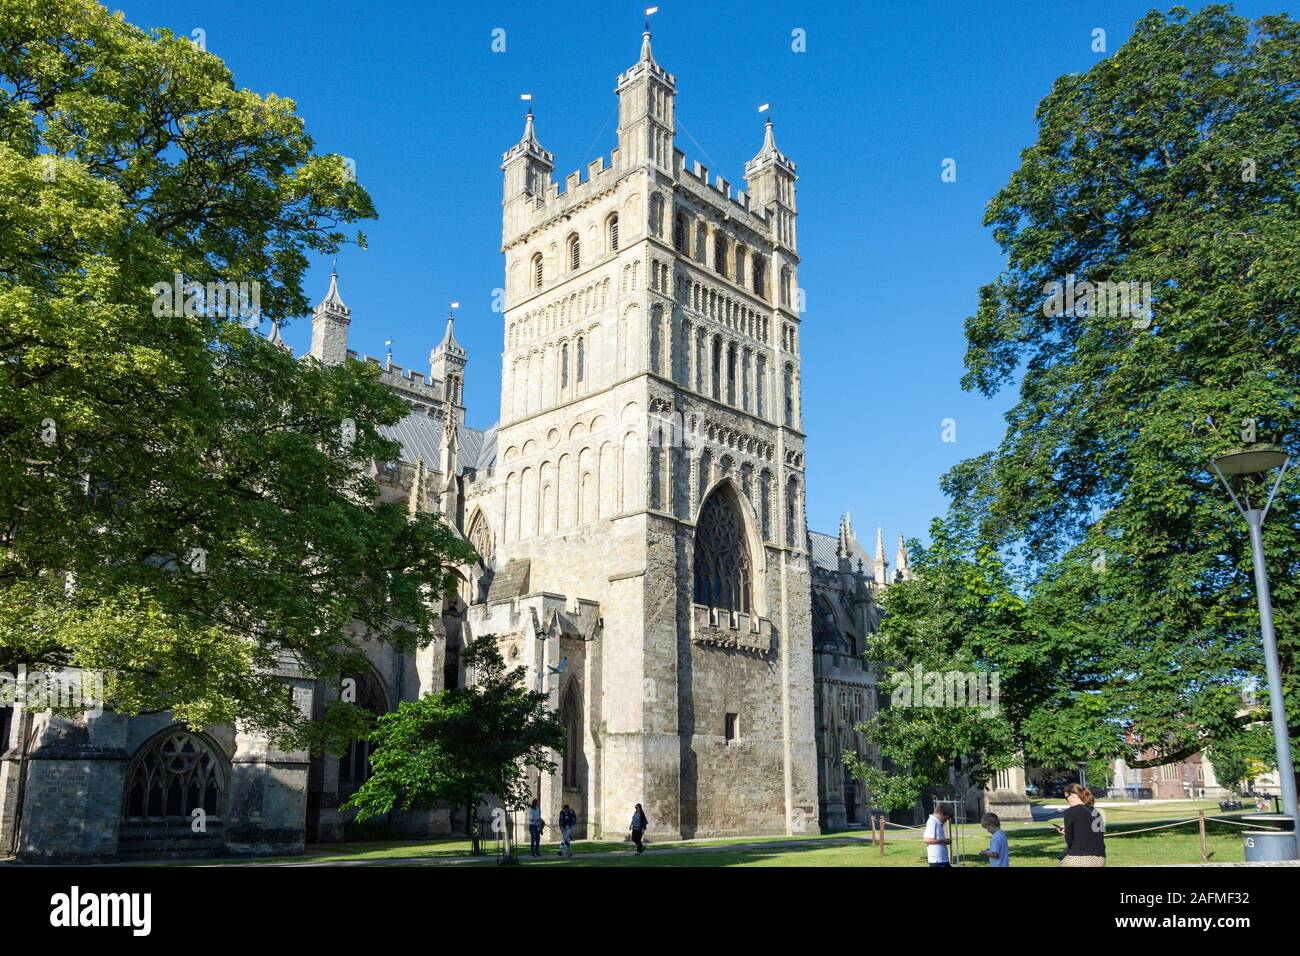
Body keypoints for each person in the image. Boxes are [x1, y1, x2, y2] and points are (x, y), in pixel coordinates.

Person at [1056, 783, 1105, 867]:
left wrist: (1066, 833)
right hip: (1100, 859)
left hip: (1079, 859)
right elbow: (1096, 834)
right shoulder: (1096, 812)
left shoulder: (1071, 811)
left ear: (1074, 795)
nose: (1066, 800)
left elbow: (1070, 842)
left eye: (1066, 797)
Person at [923, 803, 952, 867]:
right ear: (940, 813)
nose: (945, 821)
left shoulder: (937, 822)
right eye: (946, 819)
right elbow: (926, 839)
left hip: (942, 859)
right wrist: (944, 841)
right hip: (937, 860)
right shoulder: (932, 822)